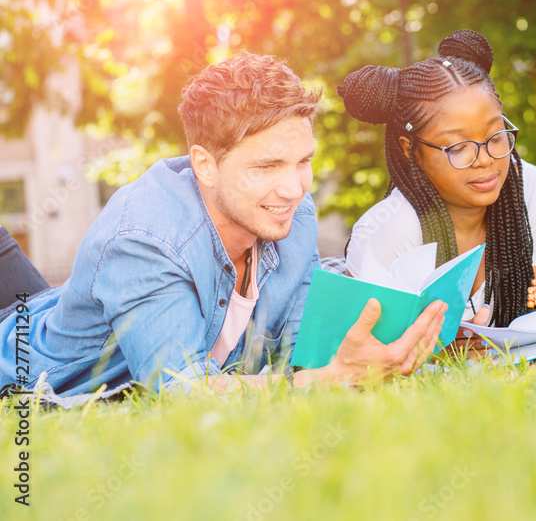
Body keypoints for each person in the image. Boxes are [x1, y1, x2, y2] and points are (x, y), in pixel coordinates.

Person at [0, 51, 447, 397]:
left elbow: (297, 354)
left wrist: (369, 356)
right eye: (268, 165)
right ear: (206, 166)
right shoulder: (144, 239)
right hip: (20, 361)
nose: (293, 188)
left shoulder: (295, 214)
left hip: (57, 306)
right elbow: (184, 390)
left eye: (303, 161)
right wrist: (326, 381)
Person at [338, 29, 536, 349]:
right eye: (458, 147)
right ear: (409, 148)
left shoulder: (527, 187)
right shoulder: (385, 232)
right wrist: (441, 354)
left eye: (495, 136)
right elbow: (361, 360)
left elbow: (532, 302)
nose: (485, 160)